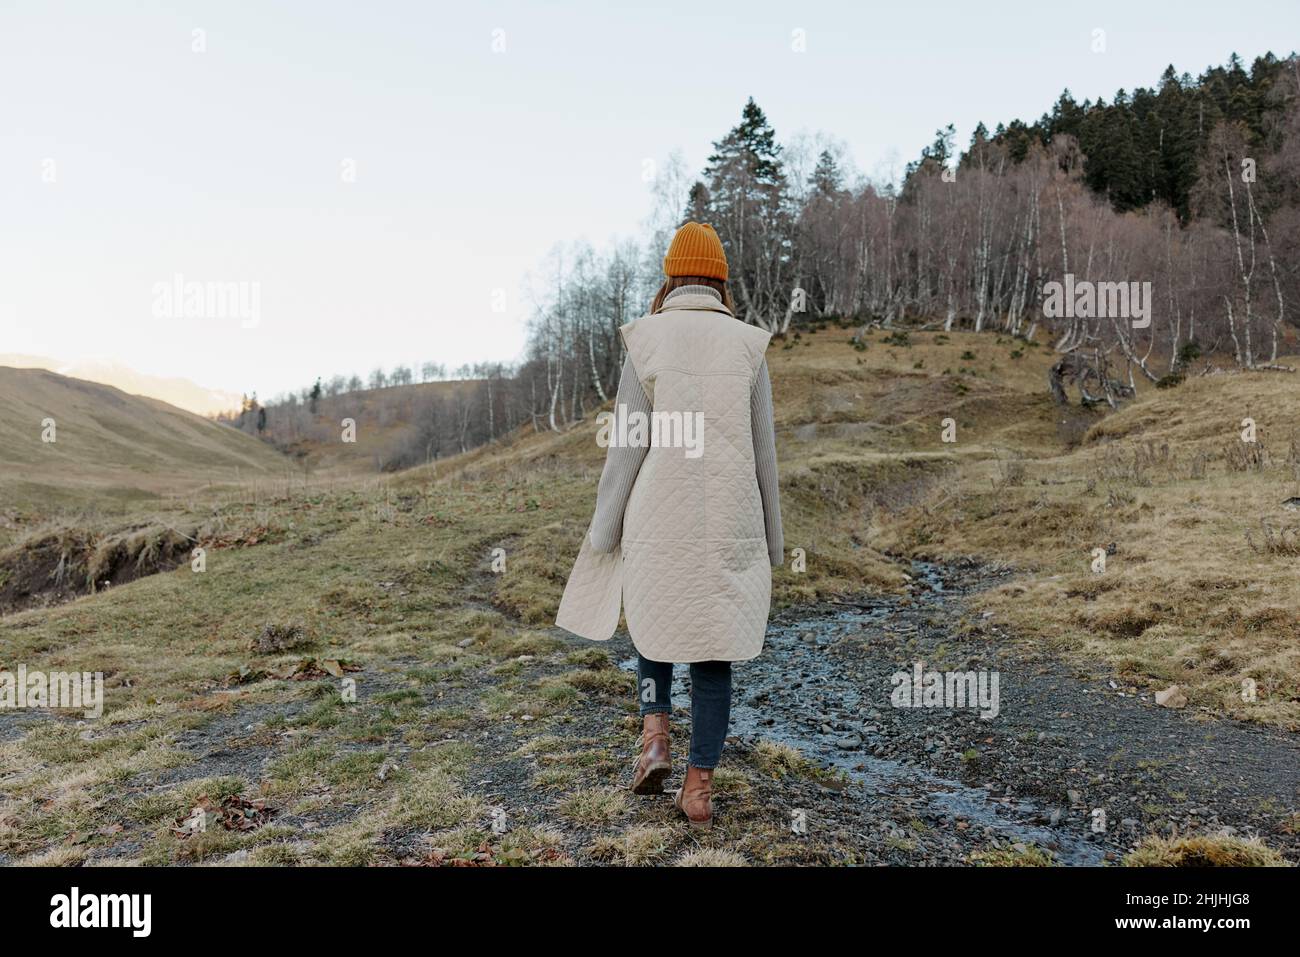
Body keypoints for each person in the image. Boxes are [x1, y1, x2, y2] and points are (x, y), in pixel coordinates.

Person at [556, 221, 783, 829]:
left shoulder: (646, 341)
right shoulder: (746, 345)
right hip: (732, 514)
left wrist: (605, 528)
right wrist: (775, 540)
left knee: (654, 623)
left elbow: (626, 449)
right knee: (714, 651)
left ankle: (655, 735)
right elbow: (765, 452)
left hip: (659, 509)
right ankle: (699, 789)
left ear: (670, 276)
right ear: (721, 279)